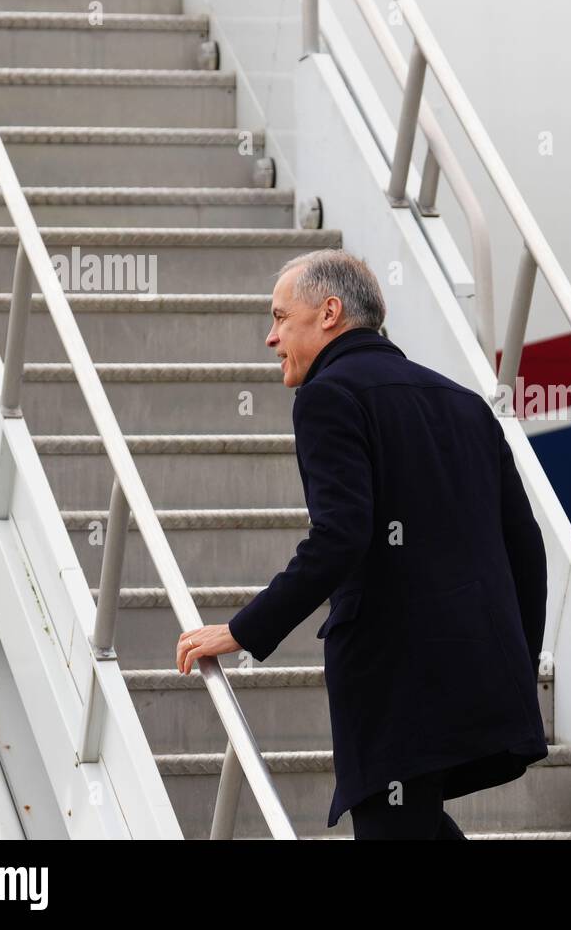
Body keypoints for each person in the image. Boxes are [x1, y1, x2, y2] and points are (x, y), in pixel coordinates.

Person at [175, 248, 550, 839]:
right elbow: (525, 548)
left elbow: (341, 535)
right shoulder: (465, 403)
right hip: (479, 668)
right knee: (405, 821)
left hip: (397, 679)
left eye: (279, 317)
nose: (271, 338)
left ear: (329, 313)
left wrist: (245, 630)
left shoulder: (327, 397)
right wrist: (517, 664)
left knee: (393, 822)